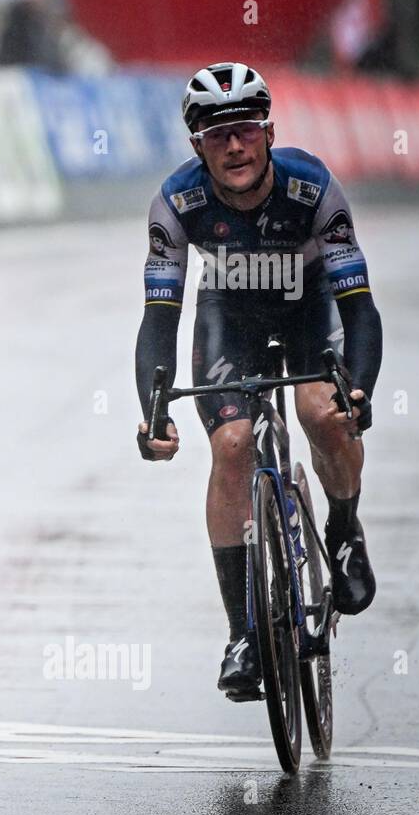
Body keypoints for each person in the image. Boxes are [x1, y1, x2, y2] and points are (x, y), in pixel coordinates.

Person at [135, 63, 382, 700]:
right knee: (232, 446)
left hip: (310, 307)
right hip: (231, 316)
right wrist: (153, 411)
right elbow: (159, 319)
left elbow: (358, 308)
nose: (235, 146)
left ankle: (345, 528)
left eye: (245, 130)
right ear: (196, 146)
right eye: (218, 136)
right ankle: (242, 633)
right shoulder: (176, 202)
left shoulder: (313, 185)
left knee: (323, 413)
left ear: (269, 131)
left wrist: (360, 389)